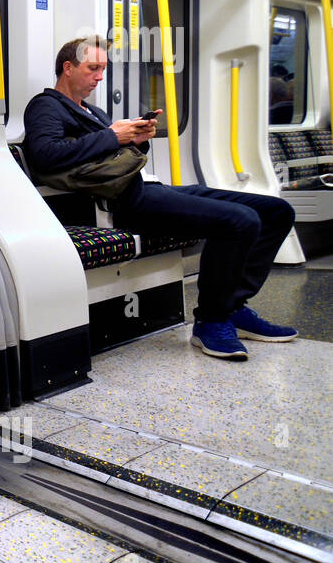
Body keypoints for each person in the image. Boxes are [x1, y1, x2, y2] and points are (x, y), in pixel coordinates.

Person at [23, 35, 297, 360]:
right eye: (92, 68)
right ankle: (211, 321)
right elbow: (45, 155)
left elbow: (108, 156)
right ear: (67, 68)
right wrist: (112, 135)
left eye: (102, 69)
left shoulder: (91, 111)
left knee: (276, 211)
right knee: (239, 220)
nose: (99, 76)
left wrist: (136, 139)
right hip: (121, 202)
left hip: (148, 188)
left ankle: (233, 307)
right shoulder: (45, 106)